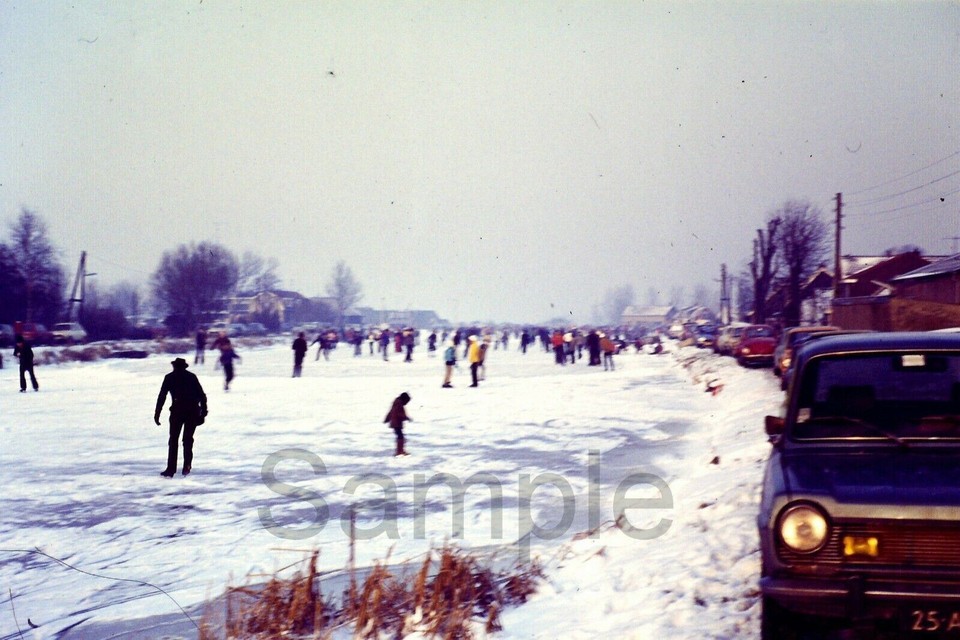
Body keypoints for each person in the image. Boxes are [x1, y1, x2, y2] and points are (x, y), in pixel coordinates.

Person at [154, 357, 207, 477]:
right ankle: (186, 466)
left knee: (173, 440)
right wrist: (203, 412)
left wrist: (157, 413)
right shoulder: (191, 377)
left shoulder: (169, 377)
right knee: (187, 440)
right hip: (192, 411)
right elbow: (202, 395)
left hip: (177, 411)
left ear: (174, 366)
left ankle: (171, 469)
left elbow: (162, 396)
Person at [384, 392, 412, 456]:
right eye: (407, 402)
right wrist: (406, 418)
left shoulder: (397, 403)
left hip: (395, 423)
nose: (406, 403)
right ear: (404, 399)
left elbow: (391, 412)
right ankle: (399, 451)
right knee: (400, 437)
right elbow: (399, 414)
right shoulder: (399, 404)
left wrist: (387, 419)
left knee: (400, 436)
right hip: (396, 423)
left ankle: (400, 450)